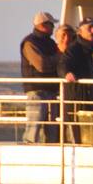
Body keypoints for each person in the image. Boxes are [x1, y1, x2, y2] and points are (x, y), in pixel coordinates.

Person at [20, 11, 59, 143]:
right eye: (51, 25)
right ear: (43, 25)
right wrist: (57, 59)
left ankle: (49, 149)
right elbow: (41, 65)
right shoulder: (30, 42)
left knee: (51, 126)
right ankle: (29, 148)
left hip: (50, 89)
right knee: (34, 124)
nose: (53, 28)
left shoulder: (50, 43)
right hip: (36, 89)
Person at [53, 23, 83, 143]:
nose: (66, 39)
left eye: (70, 36)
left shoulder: (76, 55)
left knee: (72, 125)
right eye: (63, 35)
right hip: (55, 96)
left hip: (71, 97)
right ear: (56, 37)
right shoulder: (52, 54)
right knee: (55, 128)